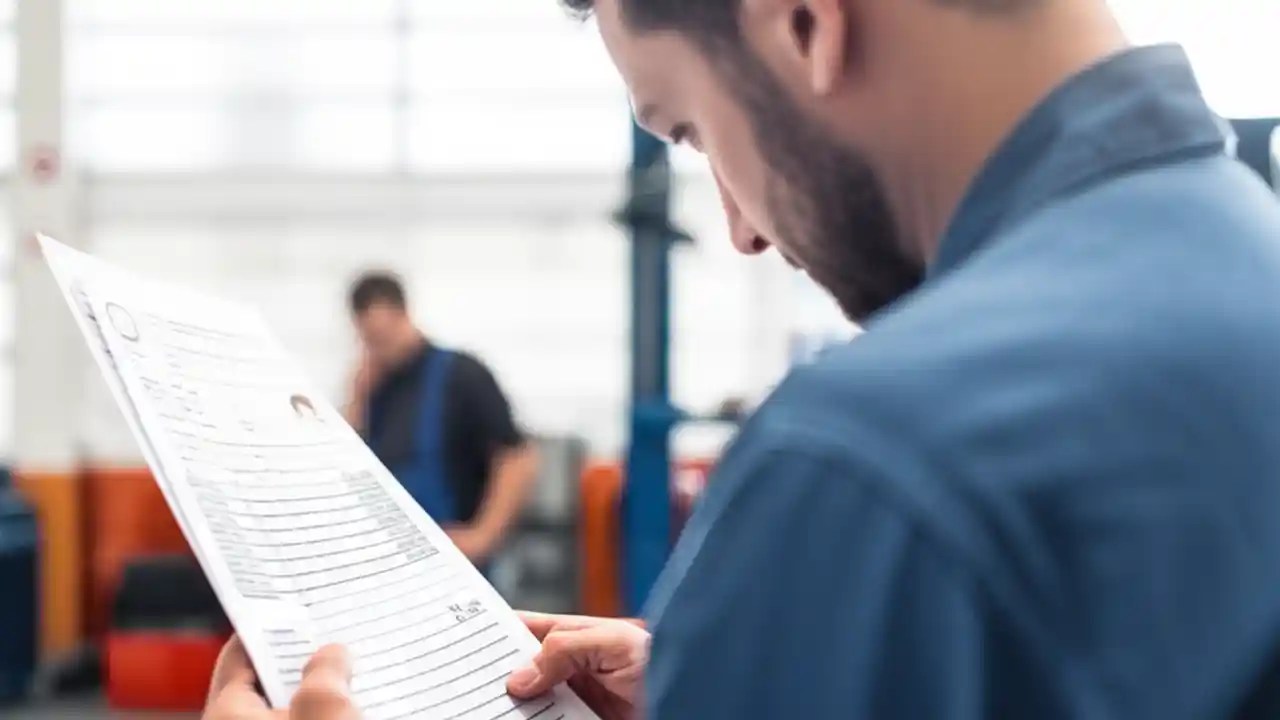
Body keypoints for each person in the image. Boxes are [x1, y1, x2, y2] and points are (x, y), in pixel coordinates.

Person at [206, 0, 1280, 717]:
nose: (740, 231)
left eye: (689, 131)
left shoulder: (876, 458)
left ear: (804, 20)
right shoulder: (1245, 252)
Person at [344, 271, 536, 566]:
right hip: (395, 560)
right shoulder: (374, 388)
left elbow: (518, 459)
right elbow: (351, 466)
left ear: (404, 314)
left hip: (457, 560)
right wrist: (357, 399)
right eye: (369, 340)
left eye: (383, 336)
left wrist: (483, 535)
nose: (377, 348)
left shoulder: (462, 375)